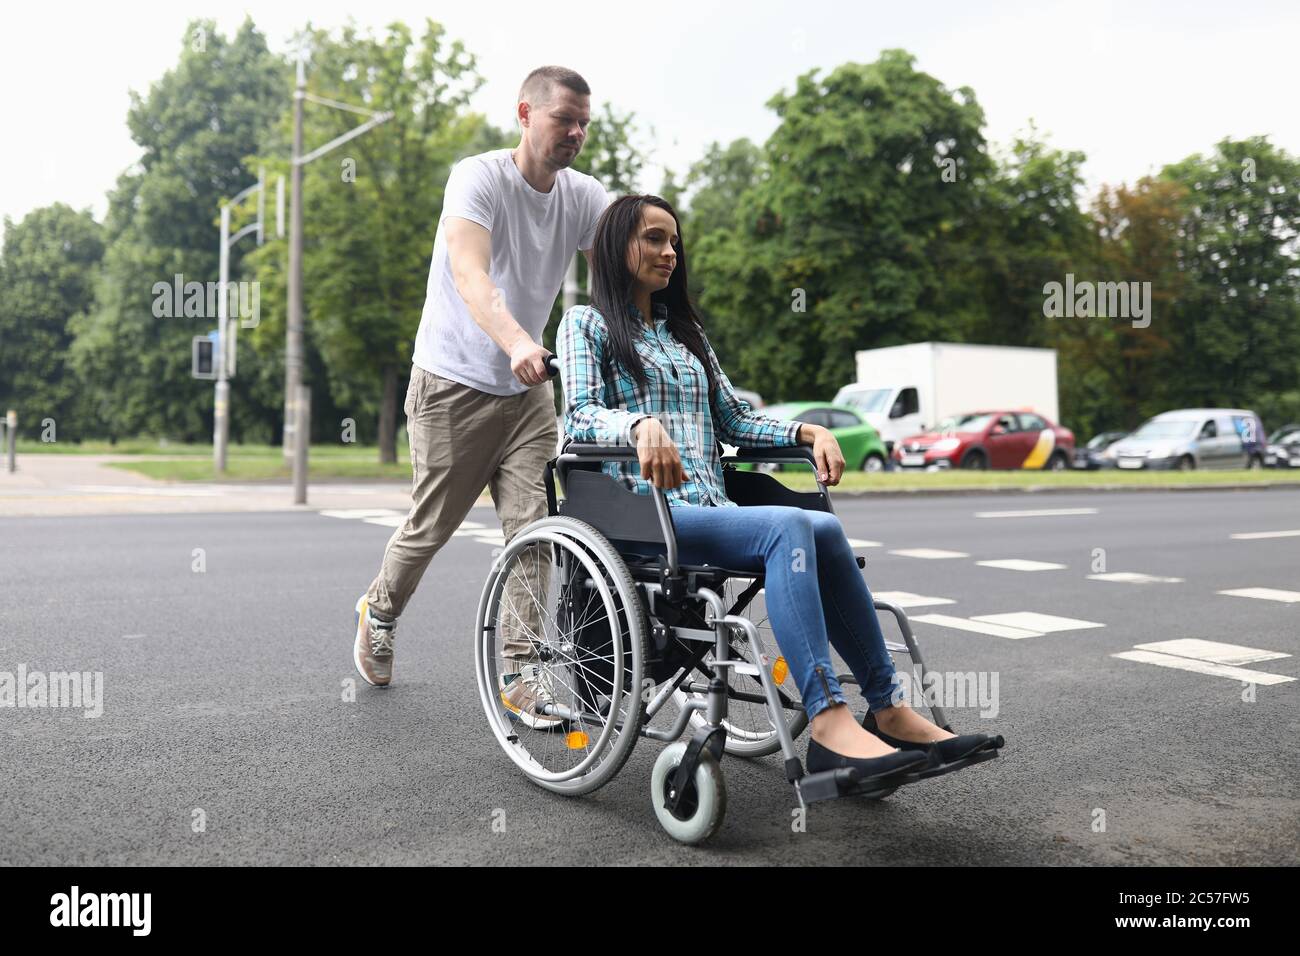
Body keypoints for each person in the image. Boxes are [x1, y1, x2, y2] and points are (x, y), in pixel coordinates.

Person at [556, 195, 1000, 778]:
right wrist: (637, 424)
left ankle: (888, 709)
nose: (670, 252)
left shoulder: (686, 336)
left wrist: (805, 430)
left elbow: (735, 421)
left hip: (710, 508)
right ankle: (827, 720)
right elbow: (581, 415)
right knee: (789, 525)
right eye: (655, 239)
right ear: (617, 247)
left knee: (821, 525)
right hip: (643, 514)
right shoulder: (585, 325)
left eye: (674, 242)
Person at [353, 66, 610, 732]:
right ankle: (379, 613)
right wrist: (519, 341)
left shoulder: (583, 196)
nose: (577, 133)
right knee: (430, 528)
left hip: (528, 399)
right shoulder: (479, 178)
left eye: (585, 122)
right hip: (452, 385)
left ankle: (521, 674)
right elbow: (471, 274)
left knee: (534, 532)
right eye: (564, 119)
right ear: (526, 113)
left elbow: (626, 256)